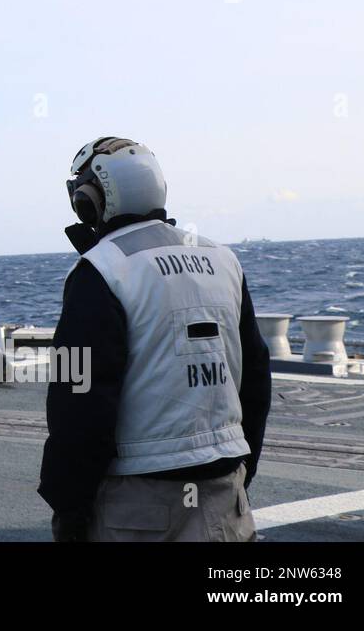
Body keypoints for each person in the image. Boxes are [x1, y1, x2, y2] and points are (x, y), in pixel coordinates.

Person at [38, 137, 272, 542]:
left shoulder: (101, 269)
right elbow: (256, 377)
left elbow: (79, 402)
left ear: (93, 199)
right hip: (226, 493)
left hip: (138, 503)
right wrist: (240, 468)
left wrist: (69, 504)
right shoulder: (223, 260)